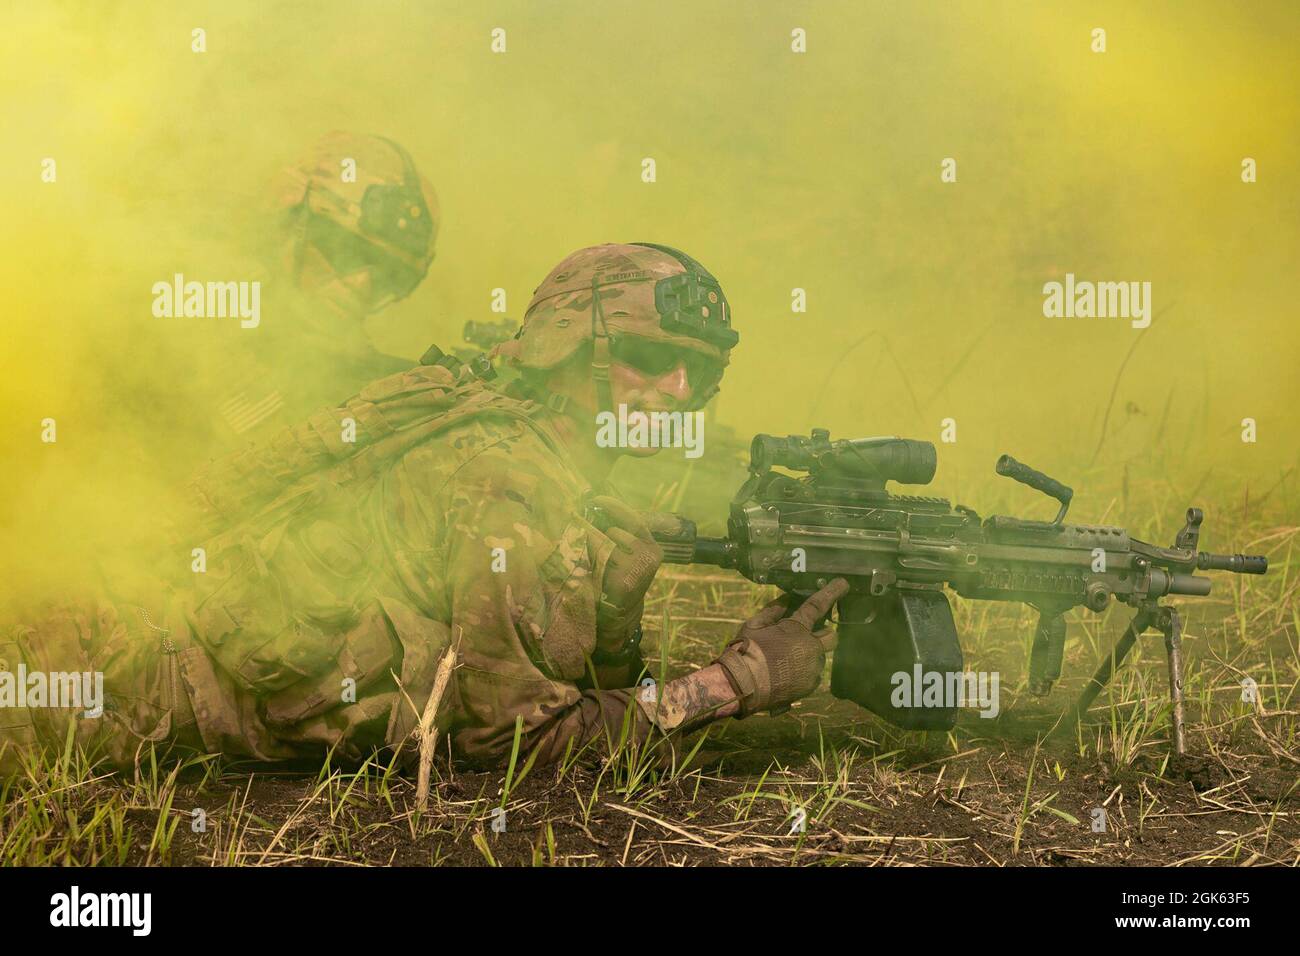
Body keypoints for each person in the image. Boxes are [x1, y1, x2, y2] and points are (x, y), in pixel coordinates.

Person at [0, 243, 845, 775]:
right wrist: (737, 682)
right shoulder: (508, 478)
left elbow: (511, 668)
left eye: (696, 373)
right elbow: (508, 740)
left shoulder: (492, 414)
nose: (676, 389)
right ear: (567, 349)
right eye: (649, 357)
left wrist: (616, 620)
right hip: (98, 691)